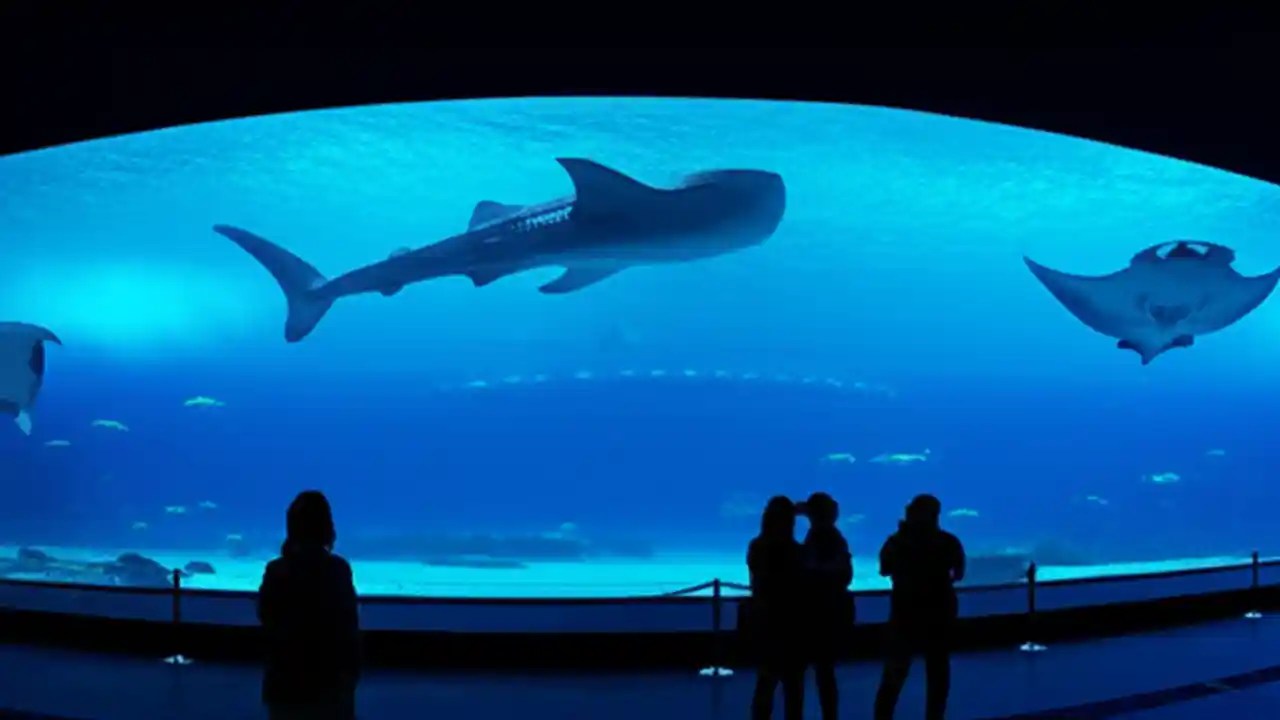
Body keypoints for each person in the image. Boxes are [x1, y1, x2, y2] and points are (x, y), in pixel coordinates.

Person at [257, 490, 361, 720]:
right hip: (331, 683)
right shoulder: (338, 570)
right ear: (328, 527)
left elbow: (266, 617)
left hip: (285, 682)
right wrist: (350, 676)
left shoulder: (276, 570)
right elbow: (348, 626)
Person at [873, 493, 966, 720]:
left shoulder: (896, 542)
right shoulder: (949, 541)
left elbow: (884, 569)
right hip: (939, 613)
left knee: (895, 673)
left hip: (904, 614)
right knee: (938, 672)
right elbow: (959, 574)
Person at [745, 495, 806, 720]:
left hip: (765, 620)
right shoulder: (797, 551)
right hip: (793, 623)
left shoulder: (757, 546)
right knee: (794, 686)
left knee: (765, 681)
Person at [797, 492, 853, 720]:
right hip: (829, 610)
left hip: (817, 611)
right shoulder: (832, 535)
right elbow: (845, 574)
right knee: (824, 671)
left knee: (814, 671)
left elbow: (838, 573)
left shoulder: (823, 536)